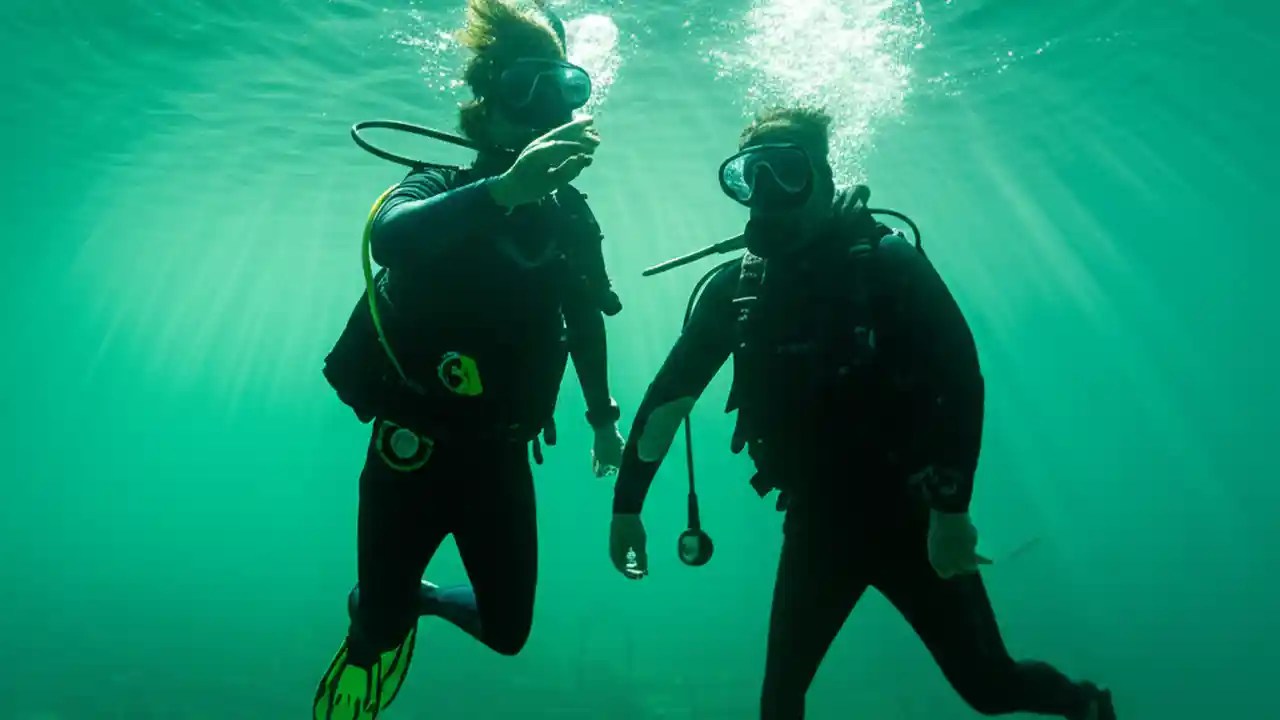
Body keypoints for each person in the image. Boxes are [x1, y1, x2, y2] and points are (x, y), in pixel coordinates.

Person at [607, 106, 1116, 720]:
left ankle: (1085, 707)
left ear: (822, 176)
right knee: (779, 702)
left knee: (989, 686)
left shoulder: (885, 264)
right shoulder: (737, 291)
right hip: (817, 525)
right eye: (750, 176)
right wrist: (627, 506)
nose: (767, 192)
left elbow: (960, 381)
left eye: (787, 172)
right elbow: (669, 399)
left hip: (911, 517)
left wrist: (951, 512)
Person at [313, 1, 626, 718]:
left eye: (560, 91)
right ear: (486, 106)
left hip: (499, 454)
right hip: (409, 451)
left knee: (509, 631)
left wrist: (603, 416)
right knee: (377, 627)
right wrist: (507, 189)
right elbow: (390, 238)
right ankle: (384, 611)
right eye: (526, 90)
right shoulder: (437, 187)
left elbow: (581, 315)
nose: (545, 110)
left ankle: (413, 597)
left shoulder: (569, 217)